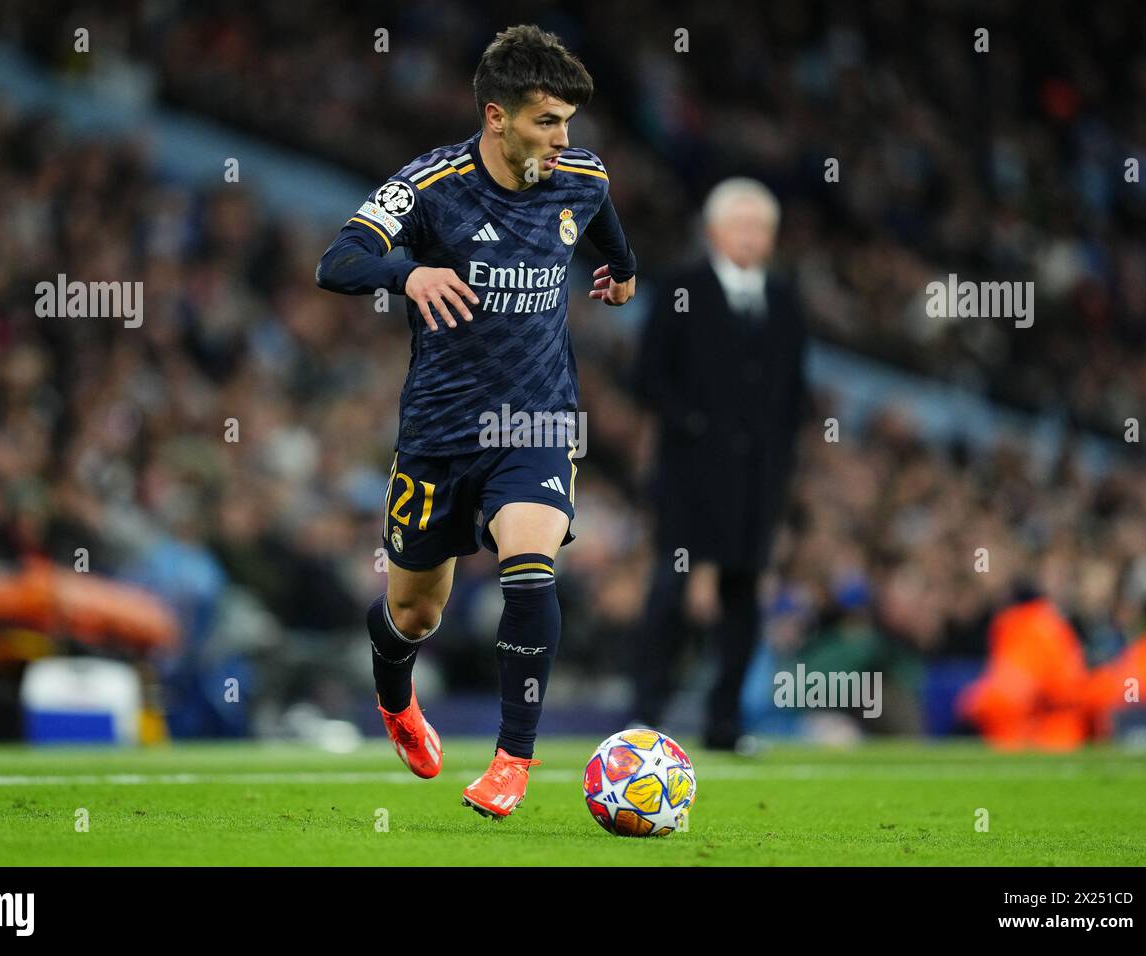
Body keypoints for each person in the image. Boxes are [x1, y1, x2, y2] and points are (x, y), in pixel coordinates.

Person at [315, 25, 636, 818]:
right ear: (496, 117)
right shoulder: (433, 186)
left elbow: (602, 220)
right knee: (413, 611)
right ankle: (395, 693)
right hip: (439, 434)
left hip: (535, 422)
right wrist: (410, 272)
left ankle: (512, 762)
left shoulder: (580, 175)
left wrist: (622, 272)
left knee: (530, 561)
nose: (563, 140)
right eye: (546, 122)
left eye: (568, 122)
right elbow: (338, 261)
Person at [631, 178, 806, 750]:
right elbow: (647, 376)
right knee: (672, 594)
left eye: (763, 228)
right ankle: (644, 716)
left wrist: (781, 458)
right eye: (742, 225)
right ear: (713, 230)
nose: (754, 237)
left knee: (743, 602)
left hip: (758, 481)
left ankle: (724, 724)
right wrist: (694, 426)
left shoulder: (784, 298)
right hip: (689, 477)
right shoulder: (680, 288)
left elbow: (794, 392)